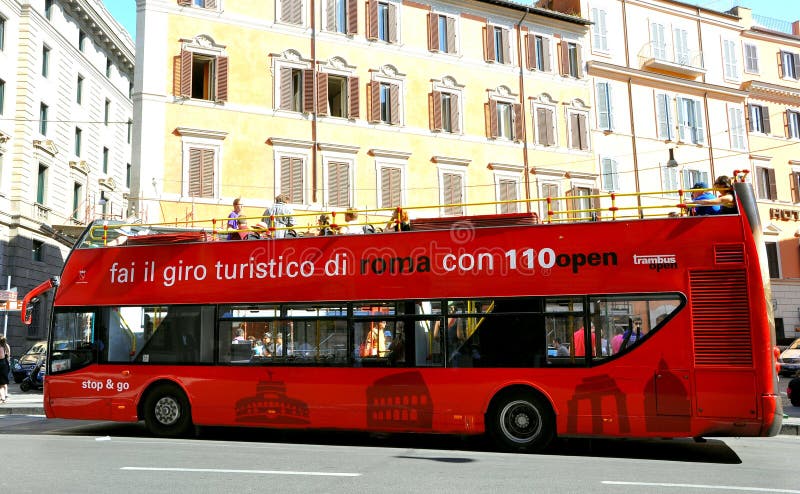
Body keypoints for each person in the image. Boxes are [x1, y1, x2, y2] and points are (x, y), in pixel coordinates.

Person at [0, 336, 10, 403]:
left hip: (1, 364)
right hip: (5, 364)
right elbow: (8, 356)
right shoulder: (6, 346)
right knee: (4, 382)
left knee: (1, 384)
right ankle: (5, 396)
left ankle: (2, 398)